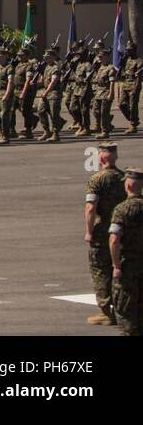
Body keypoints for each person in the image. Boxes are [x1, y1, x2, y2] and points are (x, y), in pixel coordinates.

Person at [85, 142, 127, 325]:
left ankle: (105, 311)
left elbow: (90, 208)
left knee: (101, 269)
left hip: (103, 230)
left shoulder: (97, 179)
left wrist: (88, 231)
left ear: (100, 157)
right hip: (124, 229)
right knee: (119, 268)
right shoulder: (124, 178)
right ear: (115, 157)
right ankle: (122, 308)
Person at [109, 168, 143, 336]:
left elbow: (114, 239)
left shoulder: (122, 209)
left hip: (129, 265)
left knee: (127, 313)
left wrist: (116, 266)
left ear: (128, 185)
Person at [89, 45, 117, 138]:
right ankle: (107, 124)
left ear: (106, 57)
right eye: (99, 57)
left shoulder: (110, 68)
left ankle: (105, 131)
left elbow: (112, 82)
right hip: (98, 91)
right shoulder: (100, 67)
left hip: (105, 91)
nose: (99, 59)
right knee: (95, 111)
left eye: (101, 57)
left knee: (104, 112)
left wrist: (111, 94)